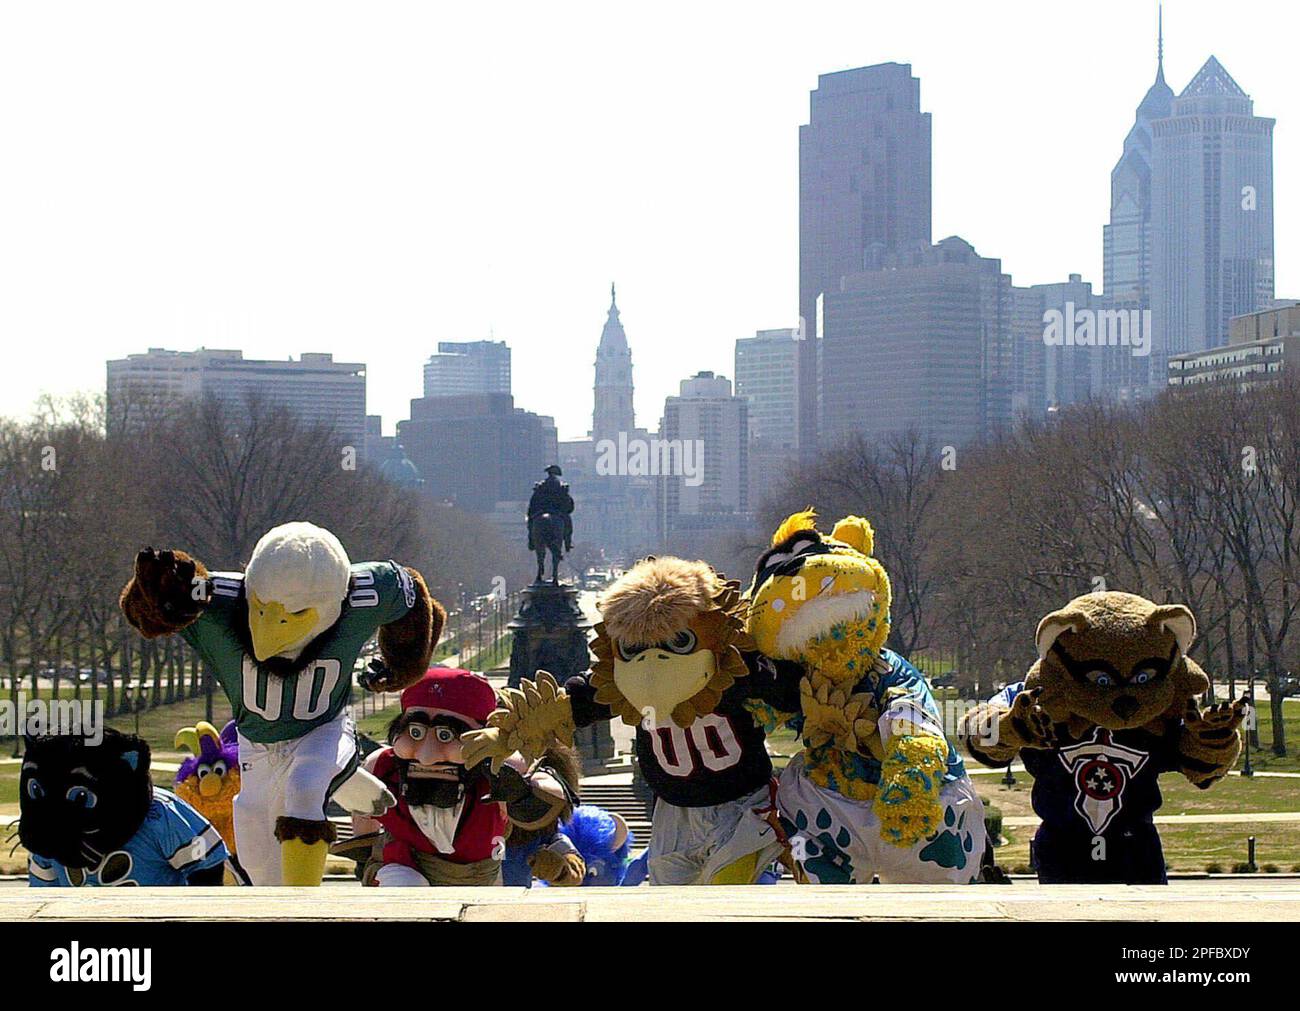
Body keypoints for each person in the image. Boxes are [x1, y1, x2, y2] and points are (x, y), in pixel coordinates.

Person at [527, 465, 574, 553]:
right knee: (568, 525)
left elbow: (533, 502)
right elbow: (568, 503)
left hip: (541, 511)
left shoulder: (540, 485)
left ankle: (531, 541)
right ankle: (568, 543)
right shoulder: (561, 486)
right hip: (557, 512)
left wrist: (531, 513)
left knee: (531, 524)